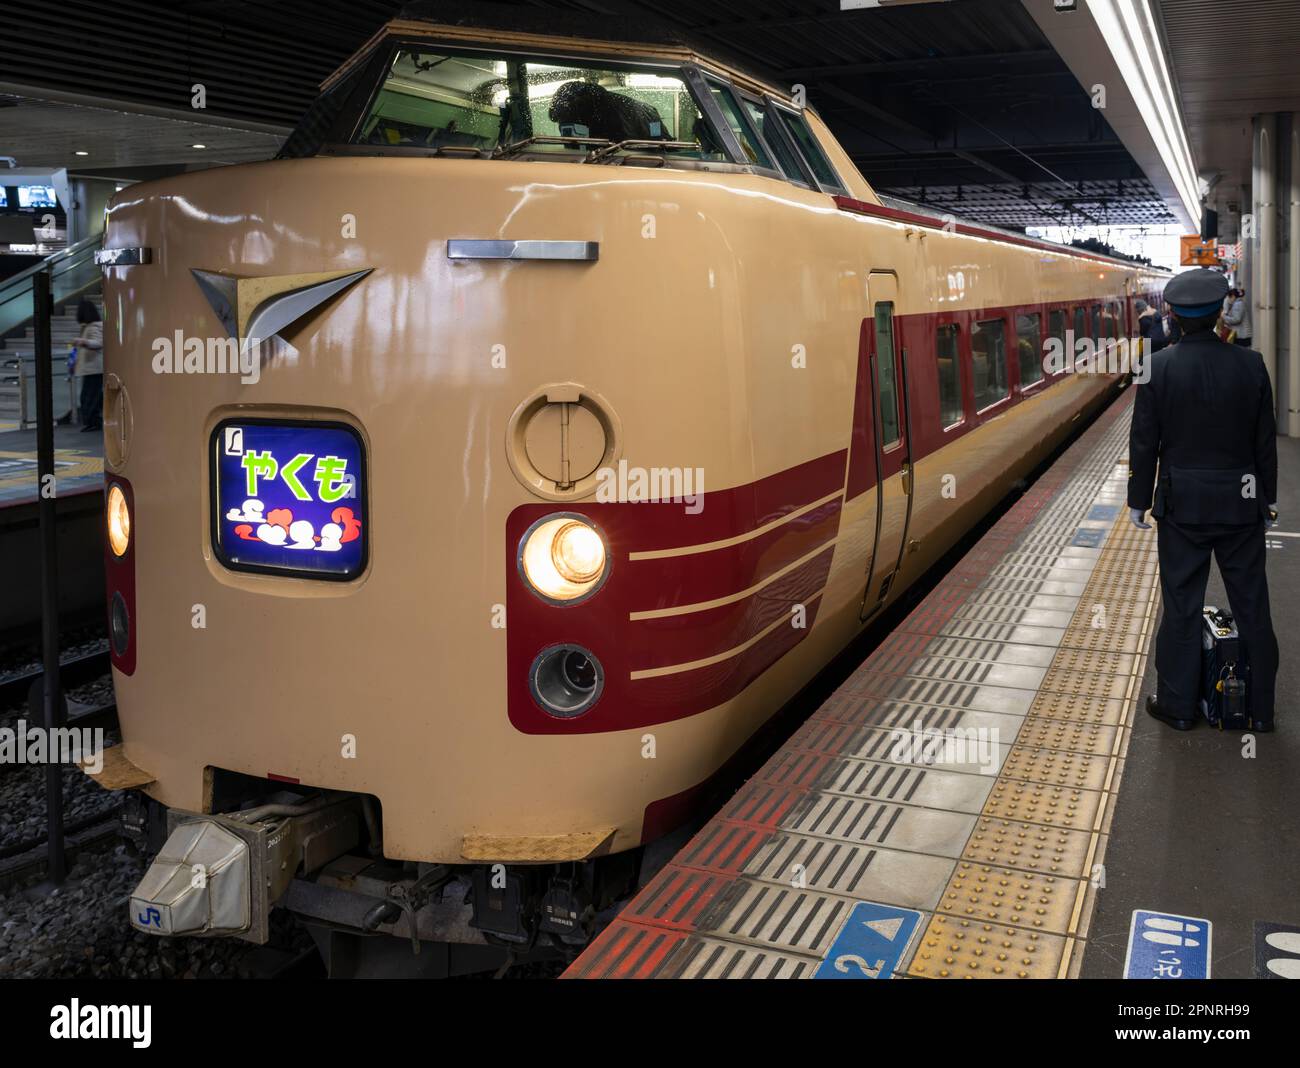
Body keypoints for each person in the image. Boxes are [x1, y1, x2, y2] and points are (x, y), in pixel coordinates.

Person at [1128, 268, 1279, 732]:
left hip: (1182, 508)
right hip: (1240, 505)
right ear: (1219, 316)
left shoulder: (1158, 366)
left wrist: (1138, 500)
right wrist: (1267, 500)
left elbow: (1143, 441)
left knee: (1182, 604)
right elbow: (1264, 441)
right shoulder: (1251, 365)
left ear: (1172, 315)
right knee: (1252, 604)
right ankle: (1259, 711)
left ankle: (1178, 708)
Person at [73, 299, 103, 432]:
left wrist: (83, 341)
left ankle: (94, 422)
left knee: (89, 396)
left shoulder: (95, 326)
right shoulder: (87, 327)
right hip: (90, 368)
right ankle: (91, 421)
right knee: (88, 396)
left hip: (94, 368)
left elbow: (98, 342)